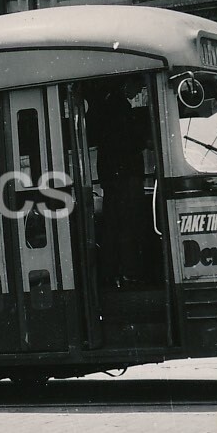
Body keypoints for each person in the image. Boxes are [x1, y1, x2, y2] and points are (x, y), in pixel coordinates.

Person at [86, 77, 152, 288]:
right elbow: (129, 139)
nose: (138, 89)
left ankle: (114, 272)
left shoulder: (109, 105)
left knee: (114, 225)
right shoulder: (120, 107)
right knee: (128, 225)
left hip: (112, 176)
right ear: (125, 84)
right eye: (137, 85)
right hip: (125, 175)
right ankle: (129, 272)